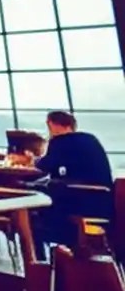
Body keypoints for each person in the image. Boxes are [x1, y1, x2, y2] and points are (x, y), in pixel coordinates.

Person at [31, 110, 114, 257]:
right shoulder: (89, 140)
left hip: (79, 202)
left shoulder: (60, 141)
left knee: (32, 209)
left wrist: (31, 159)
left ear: (54, 124)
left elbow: (44, 166)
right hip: (101, 201)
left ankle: (38, 261)